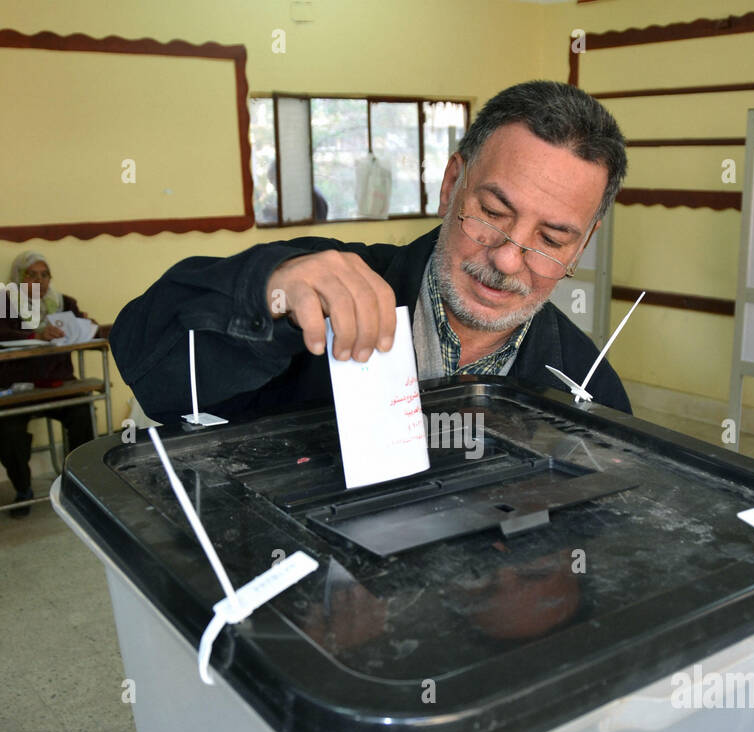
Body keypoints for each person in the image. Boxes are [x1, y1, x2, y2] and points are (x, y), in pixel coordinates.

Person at [110, 81, 632, 426]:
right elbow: (151, 370)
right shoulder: (316, 296)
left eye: (551, 239)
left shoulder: (589, 385)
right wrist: (265, 294)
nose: (508, 260)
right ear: (452, 184)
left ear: (582, 245)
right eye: (493, 213)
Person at [0, 252, 110, 517]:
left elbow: (82, 330)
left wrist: (88, 326)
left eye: (44, 274)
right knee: (7, 429)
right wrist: (35, 334)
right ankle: (23, 488)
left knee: (83, 413)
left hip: (59, 386)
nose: (39, 281)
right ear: (18, 277)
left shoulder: (64, 303)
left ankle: (76, 483)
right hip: (19, 390)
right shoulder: (5, 302)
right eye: (31, 275)